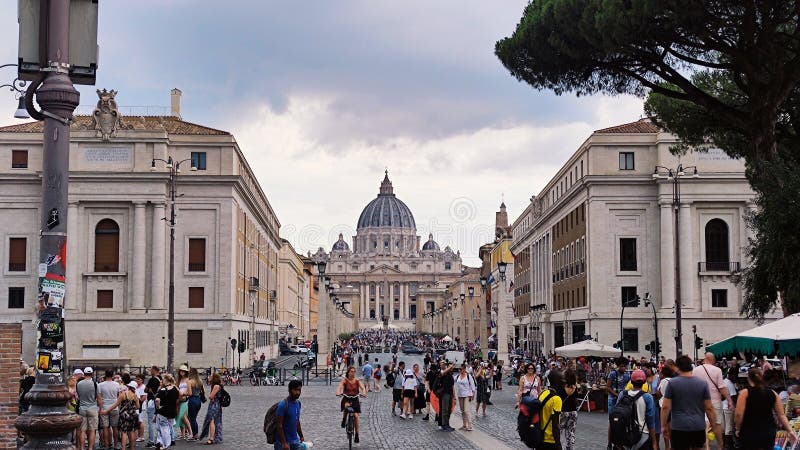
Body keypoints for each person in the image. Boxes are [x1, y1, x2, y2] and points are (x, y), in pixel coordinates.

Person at [661, 355, 716, 450]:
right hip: (698, 426)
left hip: (679, 426)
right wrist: (714, 425)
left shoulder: (672, 383)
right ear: (691, 366)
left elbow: (666, 407)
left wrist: (663, 425)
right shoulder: (702, 383)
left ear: (678, 367)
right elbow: (709, 408)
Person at [735, 367, 797, 450]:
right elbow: (781, 415)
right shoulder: (773, 393)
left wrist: (738, 428)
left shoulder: (744, 393)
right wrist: (790, 430)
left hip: (749, 432)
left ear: (749, 379)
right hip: (768, 432)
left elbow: (739, 415)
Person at [692, 352, 733, 449]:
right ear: (713, 360)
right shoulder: (717, 370)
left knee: (701, 424)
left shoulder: (696, 370)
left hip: (699, 401)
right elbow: (722, 387)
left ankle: (703, 445)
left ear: (705, 359)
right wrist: (729, 400)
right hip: (714, 401)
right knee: (716, 424)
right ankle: (720, 445)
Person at [616, 369, 657, 450]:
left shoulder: (622, 394)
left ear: (631, 381)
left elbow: (615, 414)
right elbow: (650, 421)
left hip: (624, 435)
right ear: (644, 381)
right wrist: (654, 442)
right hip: (642, 436)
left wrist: (611, 439)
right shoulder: (648, 397)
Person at [101, 380, 140, 450]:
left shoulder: (123, 394)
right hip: (132, 414)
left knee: (124, 432)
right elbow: (138, 407)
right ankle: (132, 448)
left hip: (124, 415)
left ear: (128, 386)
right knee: (131, 431)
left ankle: (123, 448)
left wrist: (106, 411)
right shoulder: (135, 395)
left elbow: (115, 405)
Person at [336, 366, 366, 443]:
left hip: (355, 399)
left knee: (356, 416)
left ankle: (357, 434)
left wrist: (364, 393)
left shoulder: (357, 381)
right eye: (351, 371)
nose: (353, 373)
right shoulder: (345, 380)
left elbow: (363, 387)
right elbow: (339, 386)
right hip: (346, 398)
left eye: (354, 371)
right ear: (348, 372)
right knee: (346, 407)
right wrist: (338, 392)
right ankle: (344, 419)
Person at [607, 357, 630, 449]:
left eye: (625, 366)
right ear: (618, 366)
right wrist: (616, 395)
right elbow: (608, 387)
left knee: (622, 421)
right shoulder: (612, 374)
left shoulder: (627, 376)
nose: (623, 368)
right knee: (612, 421)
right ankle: (609, 442)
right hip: (612, 400)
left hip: (623, 401)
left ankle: (620, 442)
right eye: (621, 366)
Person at [275, 380, 305, 450]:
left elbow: (297, 421)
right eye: (295, 390)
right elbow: (279, 425)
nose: (298, 392)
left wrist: (301, 436)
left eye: (299, 390)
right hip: (282, 442)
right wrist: (284, 443)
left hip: (295, 440)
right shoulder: (283, 405)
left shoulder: (298, 403)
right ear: (289, 390)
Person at [538, 370, 564, 450]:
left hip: (540, 436)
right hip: (550, 440)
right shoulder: (556, 399)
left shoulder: (543, 393)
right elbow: (555, 424)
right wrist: (558, 444)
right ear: (559, 382)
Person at [77, 367, 101, 450]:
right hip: (93, 408)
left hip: (82, 408)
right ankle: (90, 448)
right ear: (92, 374)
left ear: (84, 374)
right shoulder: (95, 384)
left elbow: (79, 396)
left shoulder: (79, 384)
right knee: (92, 430)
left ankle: (82, 448)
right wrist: (100, 408)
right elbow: (99, 398)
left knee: (82, 430)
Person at [97, 369, 121, 450]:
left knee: (105, 428)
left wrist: (100, 409)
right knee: (115, 428)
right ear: (113, 375)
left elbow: (99, 399)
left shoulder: (100, 385)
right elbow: (118, 397)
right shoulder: (117, 384)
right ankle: (116, 445)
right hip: (114, 407)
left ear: (105, 375)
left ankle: (107, 446)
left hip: (104, 408)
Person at [154, 374, 179, 450]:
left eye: (163, 380)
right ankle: (160, 443)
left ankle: (166, 445)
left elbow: (157, 400)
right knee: (169, 427)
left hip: (164, 411)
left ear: (165, 380)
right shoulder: (175, 389)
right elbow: (180, 397)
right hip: (172, 411)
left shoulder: (163, 390)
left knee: (164, 429)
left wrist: (158, 407)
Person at [199, 372, 223, 445]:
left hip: (214, 405)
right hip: (217, 405)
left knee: (212, 420)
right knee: (216, 421)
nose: (209, 377)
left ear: (214, 378)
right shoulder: (217, 385)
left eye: (211, 376)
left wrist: (211, 397)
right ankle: (215, 437)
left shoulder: (216, 386)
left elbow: (211, 396)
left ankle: (211, 438)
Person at [559, 368, 579, 450]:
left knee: (558, 431)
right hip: (573, 412)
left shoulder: (561, 386)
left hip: (563, 411)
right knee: (571, 432)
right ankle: (570, 447)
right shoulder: (575, 387)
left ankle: (557, 447)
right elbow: (576, 397)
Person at [454, 363, 476, 431]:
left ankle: (470, 425)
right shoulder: (457, 376)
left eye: (461, 369)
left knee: (466, 411)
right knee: (462, 411)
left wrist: (473, 395)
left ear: (464, 369)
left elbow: (473, 386)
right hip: (460, 395)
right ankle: (464, 425)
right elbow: (452, 381)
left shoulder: (468, 376)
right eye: (459, 369)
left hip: (467, 395)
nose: (459, 370)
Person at [144, 366, 162, 448]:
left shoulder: (152, 379)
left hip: (152, 400)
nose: (150, 372)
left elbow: (145, 390)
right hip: (159, 402)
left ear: (154, 371)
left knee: (151, 422)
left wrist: (149, 389)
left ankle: (151, 441)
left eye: (151, 370)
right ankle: (159, 440)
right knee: (158, 422)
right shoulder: (160, 379)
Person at [437, 361, 456, 431]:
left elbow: (452, 385)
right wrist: (450, 367)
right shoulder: (441, 372)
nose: (443, 365)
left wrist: (454, 396)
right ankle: (444, 424)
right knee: (444, 409)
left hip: (450, 393)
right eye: (442, 364)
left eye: (444, 364)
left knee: (449, 410)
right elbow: (443, 373)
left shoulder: (449, 374)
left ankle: (447, 424)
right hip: (444, 393)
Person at [720, 368, 737, 450]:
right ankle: (729, 446)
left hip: (722, 407)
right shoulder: (730, 383)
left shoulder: (723, 381)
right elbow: (733, 397)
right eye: (734, 375)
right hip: (728, 407)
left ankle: (723, 445)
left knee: (723, 428)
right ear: (731, 375)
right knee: (729, 427)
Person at [175, 365, 193, 441]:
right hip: (179, 399)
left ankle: (190, 433)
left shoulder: (187, 380)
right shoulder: (178, 380)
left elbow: (190, 392)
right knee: (179, 416)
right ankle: (182, 434)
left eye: (183, 371)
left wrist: (183, 394)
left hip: (185, 399)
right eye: (180, 371)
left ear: (186, 372)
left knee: (183, 416)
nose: (181, 372)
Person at [186, 368, 204, 441]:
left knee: (192, 418)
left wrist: (183, 393)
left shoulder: (190, 382)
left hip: (192, 400)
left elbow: (189, 393)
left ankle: (195, 435)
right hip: (198, 400)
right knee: (194, 418)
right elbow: (202, 391)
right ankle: (195, 434)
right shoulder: (200, 381)